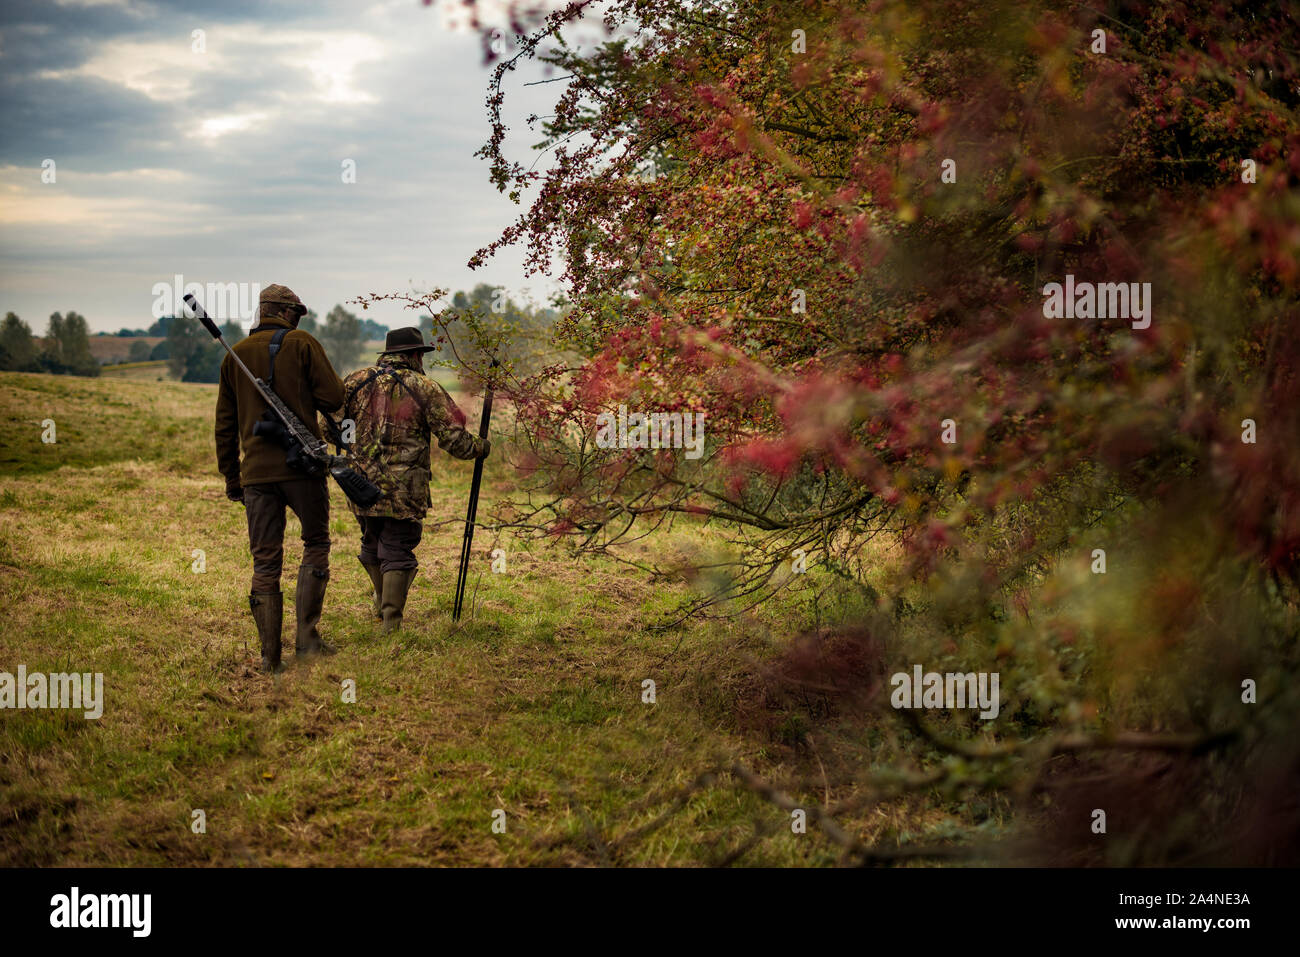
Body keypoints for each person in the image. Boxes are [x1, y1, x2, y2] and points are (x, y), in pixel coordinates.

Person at [214, 284, 344, 672]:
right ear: (287, 313)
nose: (299, 319)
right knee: (316, 541)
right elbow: (334, 398)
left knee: (265, 561)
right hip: (303, 469)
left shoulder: (234, 355)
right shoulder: (303, 343)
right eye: (297, 313)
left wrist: (231, 476)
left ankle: (270, 659)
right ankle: (306, 641)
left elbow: (224, 426)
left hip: (255, 475)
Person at [337, 327, 489, 633]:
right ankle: (390, 623)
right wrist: (480, 448)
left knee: (372, 540)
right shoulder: (424, 387)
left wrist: (359, 448)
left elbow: (330, 429)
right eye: (421, 354)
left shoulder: (354, 382)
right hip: (403, 488)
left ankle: (383, 609)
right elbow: (454, 440)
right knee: (396, 547)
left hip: (358, 484)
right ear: (415, 355)